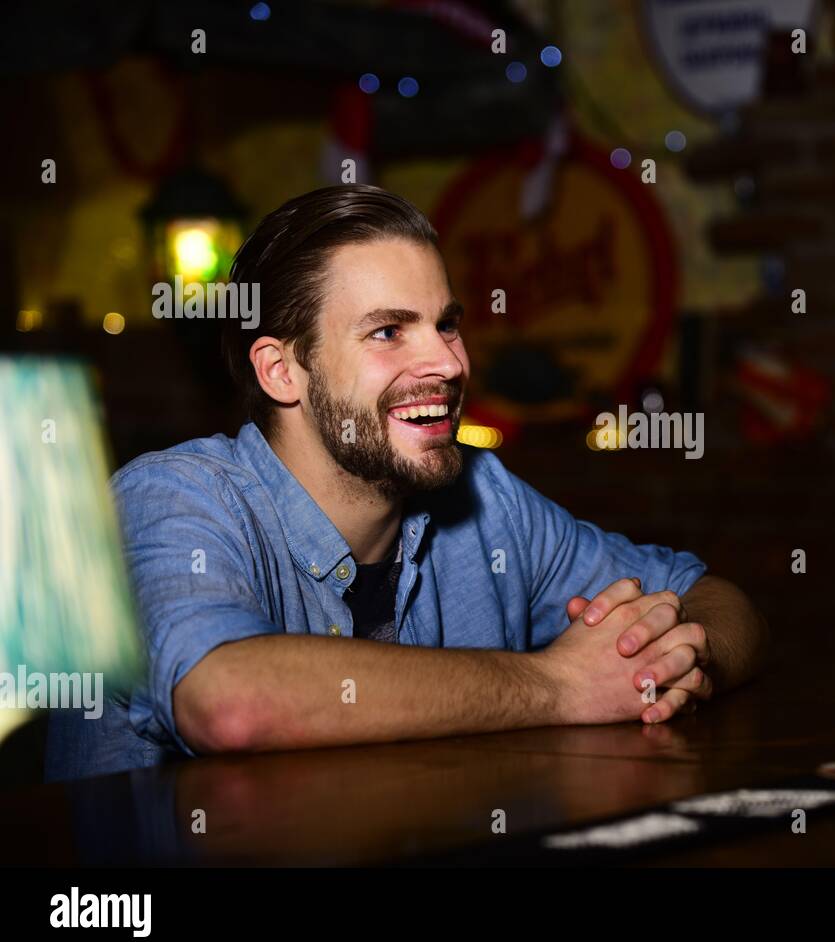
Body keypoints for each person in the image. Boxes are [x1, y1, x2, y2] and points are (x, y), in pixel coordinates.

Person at [46, 185, 768, 781]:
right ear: (281, 371)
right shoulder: (169, 498)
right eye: (388, 331)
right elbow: (230, 702)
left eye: (445, 324)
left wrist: (680, 658)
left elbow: (713, 595)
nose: (450, 364)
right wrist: (560, 685)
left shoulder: (487, 500)